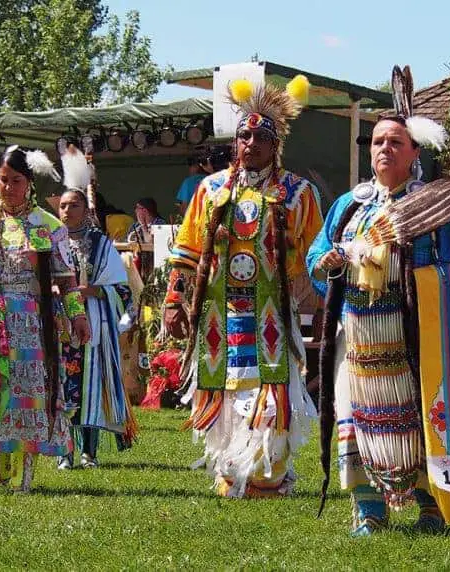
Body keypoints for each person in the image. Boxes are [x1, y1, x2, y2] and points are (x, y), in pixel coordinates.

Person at [306, 65, 450, 536]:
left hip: (416, 335)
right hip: (358, 331)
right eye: (377, 142)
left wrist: (434, 294)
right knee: (356, 416)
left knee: (419, 416)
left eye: (395, 142)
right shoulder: (350, 205)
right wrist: (328, 260)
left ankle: (433, 506)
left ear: (414, 152)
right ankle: (369, 510)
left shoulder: (435, 204)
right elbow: (315, 252)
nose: (384, 149)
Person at [163, 75, 323, 498]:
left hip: (272, 309)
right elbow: (187, 249)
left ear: (276, 147)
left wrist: (324, 304)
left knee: (270, 391)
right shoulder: (211, 190)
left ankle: (269, 474)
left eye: (259, 138)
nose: (249, 143)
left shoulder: (297, 194)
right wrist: (174, 302)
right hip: (222, 311)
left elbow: (319, 257)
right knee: (228, 389)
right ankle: (232, 469)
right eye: (243, 136)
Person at [0, 145, 90, 494]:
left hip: (35, 327)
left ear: (29, 184)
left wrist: (78, 317)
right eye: (3, 180)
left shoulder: (49, 226)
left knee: (31, 396)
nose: (7, 187)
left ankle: (25, 478)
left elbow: (66, 279)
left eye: (15, 180)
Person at [56, 146, 137, 469]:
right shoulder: (51, 242)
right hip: (61, 326)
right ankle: (64, 452)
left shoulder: (100, 244)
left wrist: (92, 290)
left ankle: (88, 452)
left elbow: (122, 289)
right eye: (62, 205)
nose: (66, 211)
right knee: (63, 387)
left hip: (91, 325)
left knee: (89, 387)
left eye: (73, 205)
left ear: (85, 208)